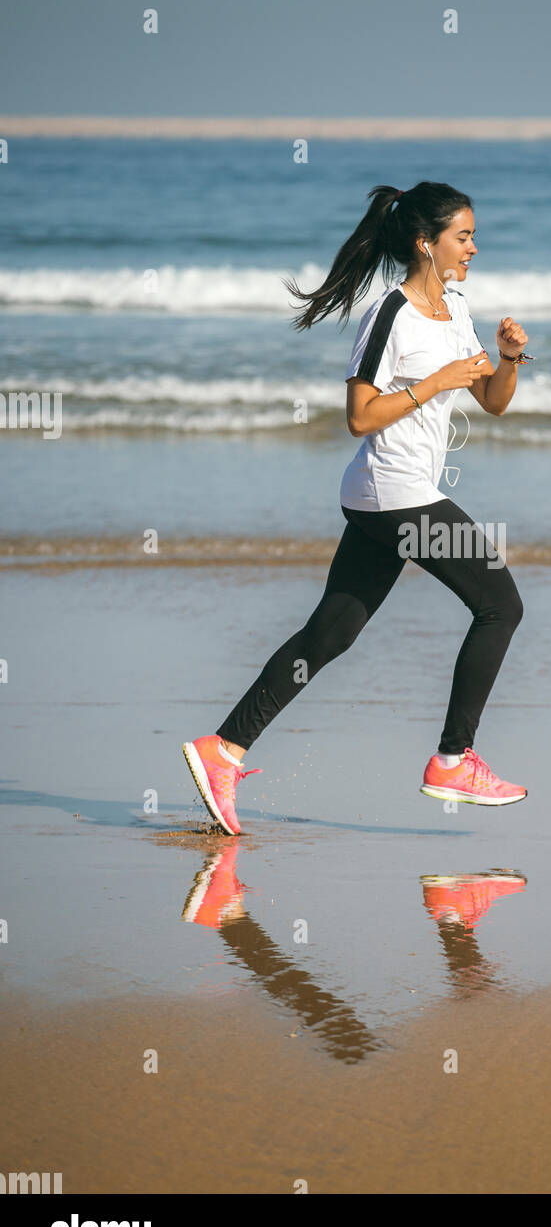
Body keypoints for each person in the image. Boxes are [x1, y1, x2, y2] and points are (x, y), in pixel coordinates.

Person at [183, 180, 532, 835]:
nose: (473, 249)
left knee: (332, 633)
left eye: (473, 236)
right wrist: (431, 385)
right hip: (395, 495)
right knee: (501, 604)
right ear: (426, 244)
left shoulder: (456, 307)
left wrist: (508, 358)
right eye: (463, 237)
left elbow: (493, 399)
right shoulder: (389, 314)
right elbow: (359, 416)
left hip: (386, 498)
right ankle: (454, 759)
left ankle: (223, 749)